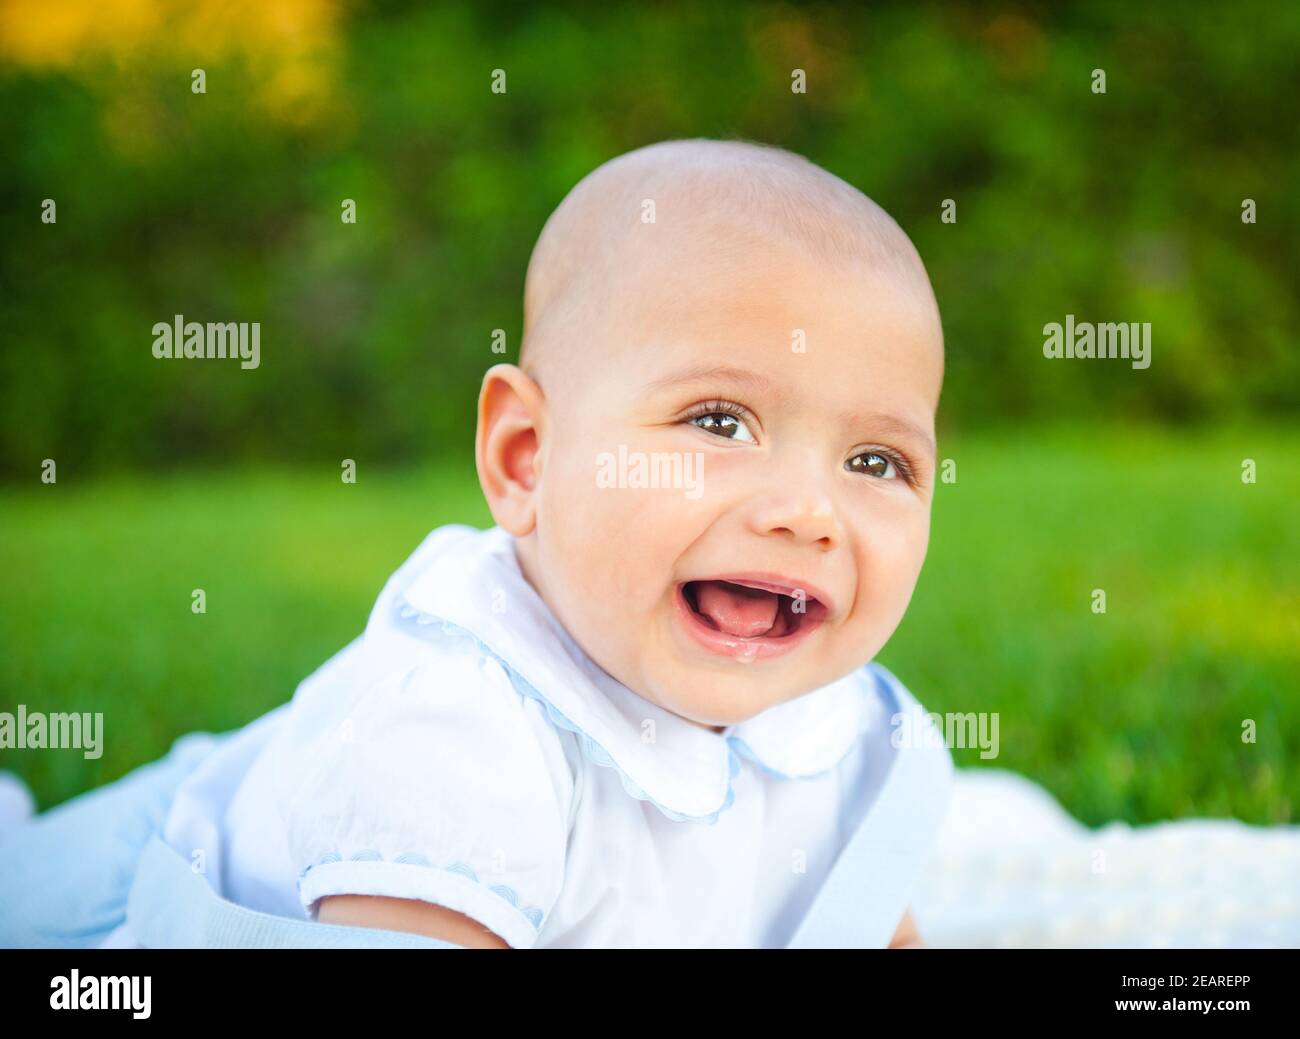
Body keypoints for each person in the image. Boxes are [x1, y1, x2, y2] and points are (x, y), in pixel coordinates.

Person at [0, 138, 953, 949]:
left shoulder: (836, 720)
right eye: (719, 421)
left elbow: (859, 914)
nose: (807, 511)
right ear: (527, 457)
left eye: (876, 462)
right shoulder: (450, 732)